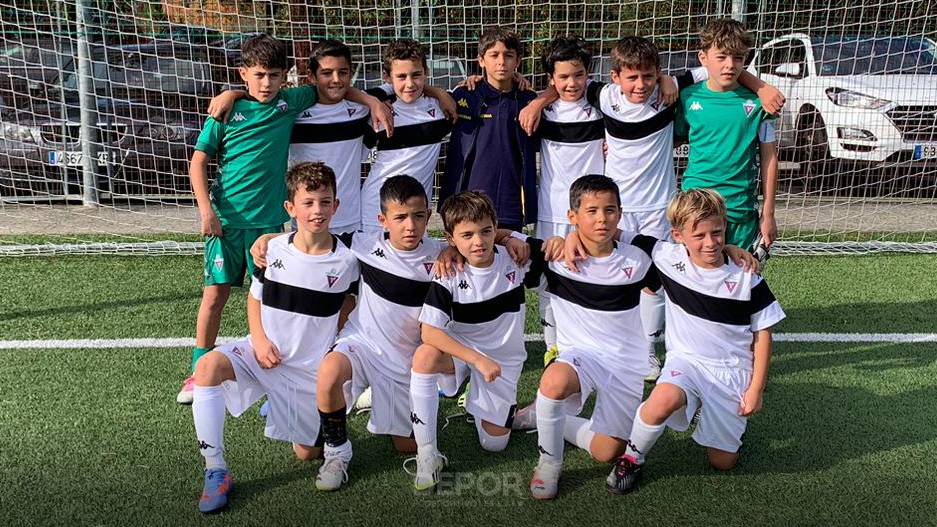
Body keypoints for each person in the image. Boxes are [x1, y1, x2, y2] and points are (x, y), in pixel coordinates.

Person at [521, 34, 784, 377]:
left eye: (648, 76)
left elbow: (716, 69)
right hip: (615, 210)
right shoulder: (603, 95)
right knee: (596, 272)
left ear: (659, 73)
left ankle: (645, 353)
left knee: (652, 280)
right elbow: (568, 80)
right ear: (615, 77)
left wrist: (761, 87)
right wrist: (538, 102)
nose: (640, 85)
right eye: (631, 77)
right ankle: (574, 345)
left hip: (658, 207)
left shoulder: (667, 92)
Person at [247, 175, 528, 492]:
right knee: (315, 421)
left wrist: (510, 237)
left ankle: (393, 406)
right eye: (400, 217)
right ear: (383, 220)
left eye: (419, 216)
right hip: (361, 346)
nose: (410, 226)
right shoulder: (364, 245)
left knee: (406, 445)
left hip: (403, 363)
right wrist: (270, 238)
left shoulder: (443, 256)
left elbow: (477, 235)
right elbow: (314, 235)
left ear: (429, 216)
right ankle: (338, 454)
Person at [178, 34, 391, 404]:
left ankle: (278, 375)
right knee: (214, 295)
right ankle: (198, 371)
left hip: (272, 225)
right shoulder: (228, 111)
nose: (266, 83)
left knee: (275, 301)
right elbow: (198, 161)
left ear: (286, 77)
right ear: (243, 73)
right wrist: (206, 211)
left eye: (274, 75)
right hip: (227, 221)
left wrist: (372, 99)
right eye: (258, 75)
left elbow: (334, 89)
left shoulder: (290, 102)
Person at [191, 162, 358, 513]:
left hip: (306, 373)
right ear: (290, 208)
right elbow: (256, 297)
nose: (317, 211)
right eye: (309, 203)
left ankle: (309, 421)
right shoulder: (273, 249)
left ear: (336, 206)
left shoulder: (348, 260)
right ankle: (215, 470)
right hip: (262, 353)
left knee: (306, 454)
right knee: (207, 367)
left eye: (325, 202)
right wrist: (260, 339)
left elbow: (351, 300)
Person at [604, 188, 785, 494]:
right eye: (699, 235)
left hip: (731, 372)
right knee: (660, 400)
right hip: (686, 361)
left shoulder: (746, 276)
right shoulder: (666, 256)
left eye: (717, 232)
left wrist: (755, 389)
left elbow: (763, 334)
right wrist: (568, 238)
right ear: (678, 235)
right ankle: (632, 458)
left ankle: (714, 415)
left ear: (725, 227)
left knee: (722, 462)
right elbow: (613, 233)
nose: (711, 242)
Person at [407, 191, 563, 493]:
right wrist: (477, 359)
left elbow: (553, 252)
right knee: (425, 355)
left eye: (486, 231)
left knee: (495, 444)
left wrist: (520, 239)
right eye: (467, 235)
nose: (477, 241)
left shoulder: (516, 259)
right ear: (451, 239)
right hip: (463, 355)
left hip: (502, 360)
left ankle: (514, 415)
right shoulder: (449, 270)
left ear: (495, 228)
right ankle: (427, 454)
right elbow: (429, 332)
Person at [529, 174, 659, 499]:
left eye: (610, 210)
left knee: (607, 451)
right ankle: (548, 462)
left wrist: (727, 247)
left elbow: (687, 257)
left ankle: (539, 415)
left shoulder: (639, 258)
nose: (602, 219)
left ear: (620, 213)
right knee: (554, 381)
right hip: (580, 355)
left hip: (626, 365)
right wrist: (563, 237)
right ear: (572, 216)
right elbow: (499, 240)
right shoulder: (554, 257)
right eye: (591, 211)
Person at [676, 18, 780, 252]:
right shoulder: (688, 98)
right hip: (696, 205)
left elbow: (769, 157)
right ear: (703, 58)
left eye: (738, 58)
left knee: (739, 283)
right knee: (695, 283)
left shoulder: (758, 103)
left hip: (739, 209)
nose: (730, 65)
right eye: (721, 57)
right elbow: (671, 141)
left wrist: (768, 214)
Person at [441, 26, 539, 232]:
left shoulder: (528, 101)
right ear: (481, 60)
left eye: (508, 55)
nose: (501, 62)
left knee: (510, 260)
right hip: (469, 203)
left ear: (518, 61)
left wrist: (540, 102)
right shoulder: (465, 94)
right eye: (494, 55)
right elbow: (421, 91)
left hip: (511, 203)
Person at [359, 39, 456, 234]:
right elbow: (347, 93)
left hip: (415, 213)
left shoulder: (440, 108)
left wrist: (438, 92)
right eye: (401, 76)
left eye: (416, 75)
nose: (410, 84)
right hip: (375, 209)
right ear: (387, 77)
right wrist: (374, 102)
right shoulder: (379, 109)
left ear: (426, 73)